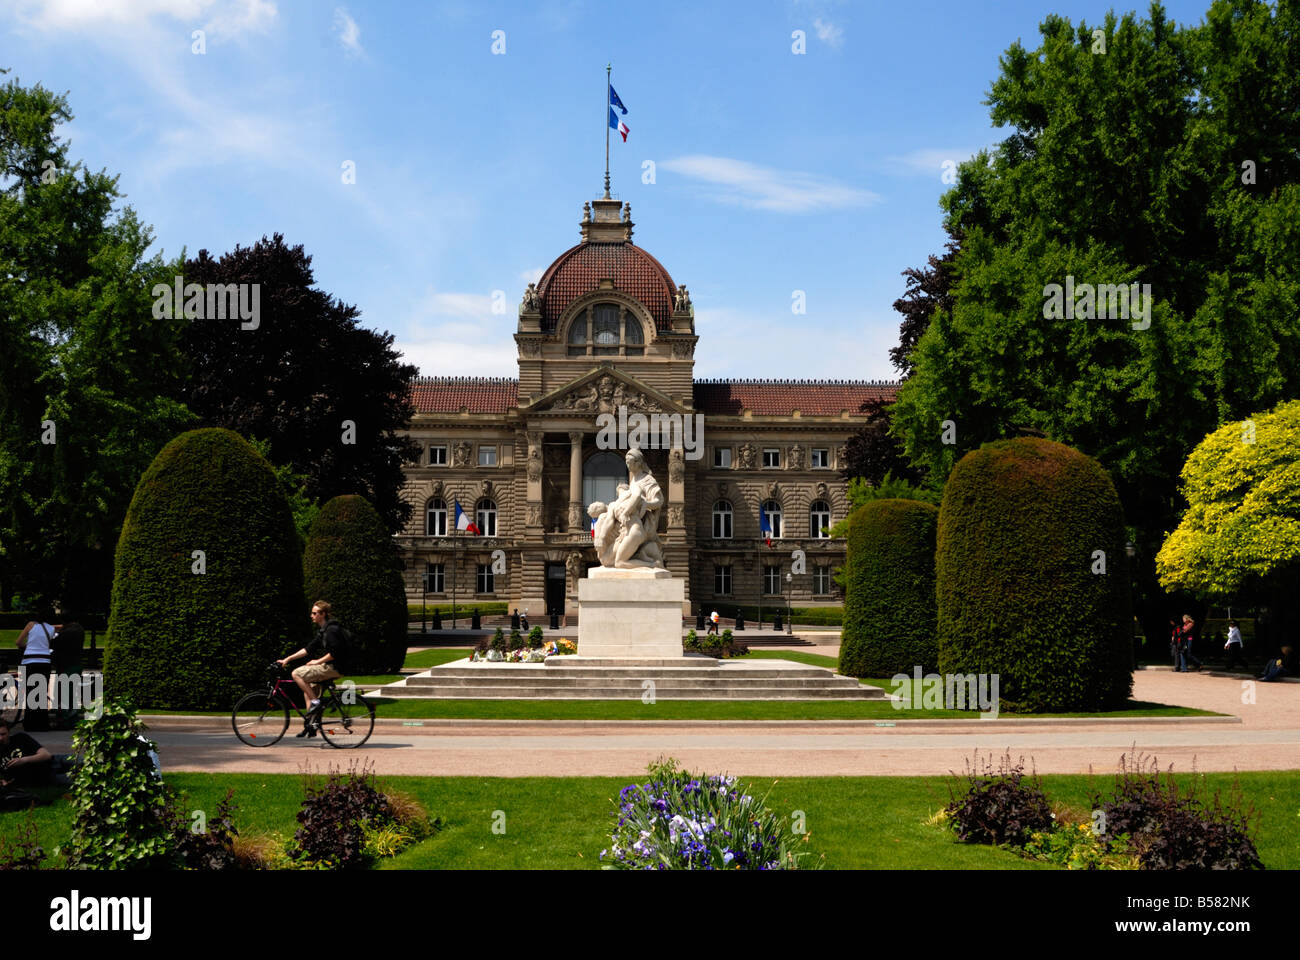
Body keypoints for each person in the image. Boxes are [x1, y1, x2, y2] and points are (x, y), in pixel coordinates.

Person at [277, 601, 347, 738]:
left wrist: (317, 661)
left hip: (335, 667)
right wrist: (287, 659)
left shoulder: (331, 630)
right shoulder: (323, 631)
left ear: (323, 614)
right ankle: (311, 725)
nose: (311, 616)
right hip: (333, 667)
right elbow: (308, 649)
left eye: (314, 613)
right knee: (309, 690)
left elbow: (334, 653)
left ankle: (316, 703)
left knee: (296, 673)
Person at [15, 603, 59, 732]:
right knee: (41, 692)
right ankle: (41, 723)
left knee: (30, 692)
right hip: (44, 661)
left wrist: (27, 647)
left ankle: (30, 722)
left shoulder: (30, 625)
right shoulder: (50, 629)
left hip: (29, 661)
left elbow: (18, 642)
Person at [0, 717, 54, 788]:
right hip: (46, 775)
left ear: (9, 732)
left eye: (3, 734)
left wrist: (23, 760)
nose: (0, 738)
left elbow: (47, 755)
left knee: (72, 760)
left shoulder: (21, 738)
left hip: (54, 762)